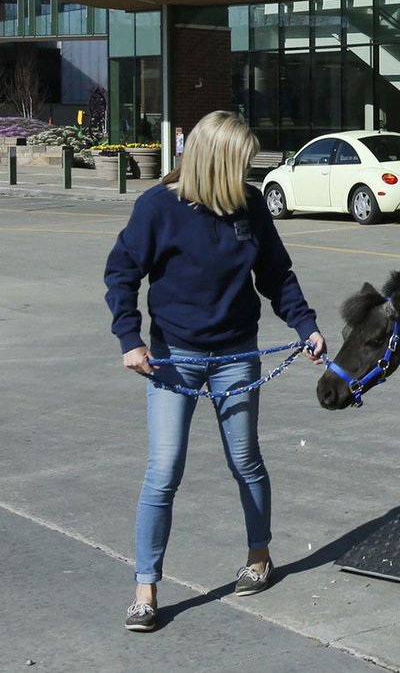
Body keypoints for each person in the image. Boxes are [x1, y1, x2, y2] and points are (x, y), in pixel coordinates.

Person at [103, 110, 327, 632]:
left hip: (236, 357)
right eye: (242, 162)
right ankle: (146, 587)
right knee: (164, 470)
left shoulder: (248, 206)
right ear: (215, 161)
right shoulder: (158, 207)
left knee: (246, 460)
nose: (248, 172)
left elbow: (276, 274)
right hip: (172, 359)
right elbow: (120, 273)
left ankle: (259, 557)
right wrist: (129, 340)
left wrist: (306, 326)